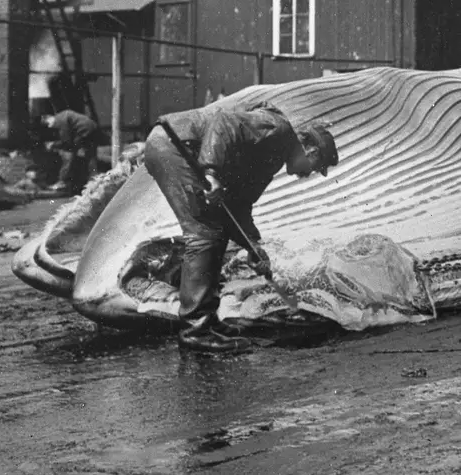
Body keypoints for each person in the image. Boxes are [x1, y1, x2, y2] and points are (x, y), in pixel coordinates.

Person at [143, 103, 338, 354]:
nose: (309, 173)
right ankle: (196, 330)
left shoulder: (273, 157)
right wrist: (212, 172)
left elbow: (239, 206)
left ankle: (207, 322)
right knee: (205, 232)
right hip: (176, 144)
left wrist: (253, 246)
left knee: (216, 228)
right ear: (311, 149)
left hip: (179, 146)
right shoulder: (278, 130)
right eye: (316, 166)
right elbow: (224, 123)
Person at [42, 109, 102, 195]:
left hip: (84, 131)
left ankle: (63, 181)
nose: (49, 126)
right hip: (91, 128)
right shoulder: (63, 116)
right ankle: (94, 181)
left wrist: (54, 145)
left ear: (50, 118)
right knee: (90, 157)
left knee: (70, 155)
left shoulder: (60, 120)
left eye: (48, 124)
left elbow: (67, 141)